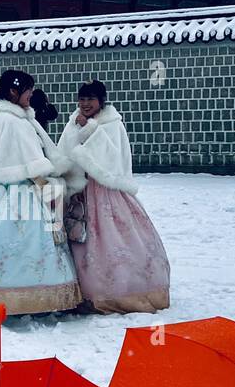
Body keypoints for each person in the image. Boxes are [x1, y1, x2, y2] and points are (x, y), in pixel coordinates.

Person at [0, 69, 81, 317]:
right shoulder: (13, 121)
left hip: (6, 192)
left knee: (2, 243)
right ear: (14, 91)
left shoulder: (8, 118)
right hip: (22, 191)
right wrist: (48, 186)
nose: (31, 95)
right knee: (27, 242)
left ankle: (4, 293)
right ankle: (28, 296)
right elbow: (31, 161)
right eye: (28, 90)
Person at [57, 79, 170, 313]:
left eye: (91, 99)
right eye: (82, 98)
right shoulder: (73, 122)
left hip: (106, 191)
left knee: (113, 239)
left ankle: (118, 292)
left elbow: (111, 158)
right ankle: (79, 293)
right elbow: (64, 153)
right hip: (81, 192)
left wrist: (89, 129)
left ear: (101, 101)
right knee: (80, 241)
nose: (85, 104)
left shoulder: (111, 123)